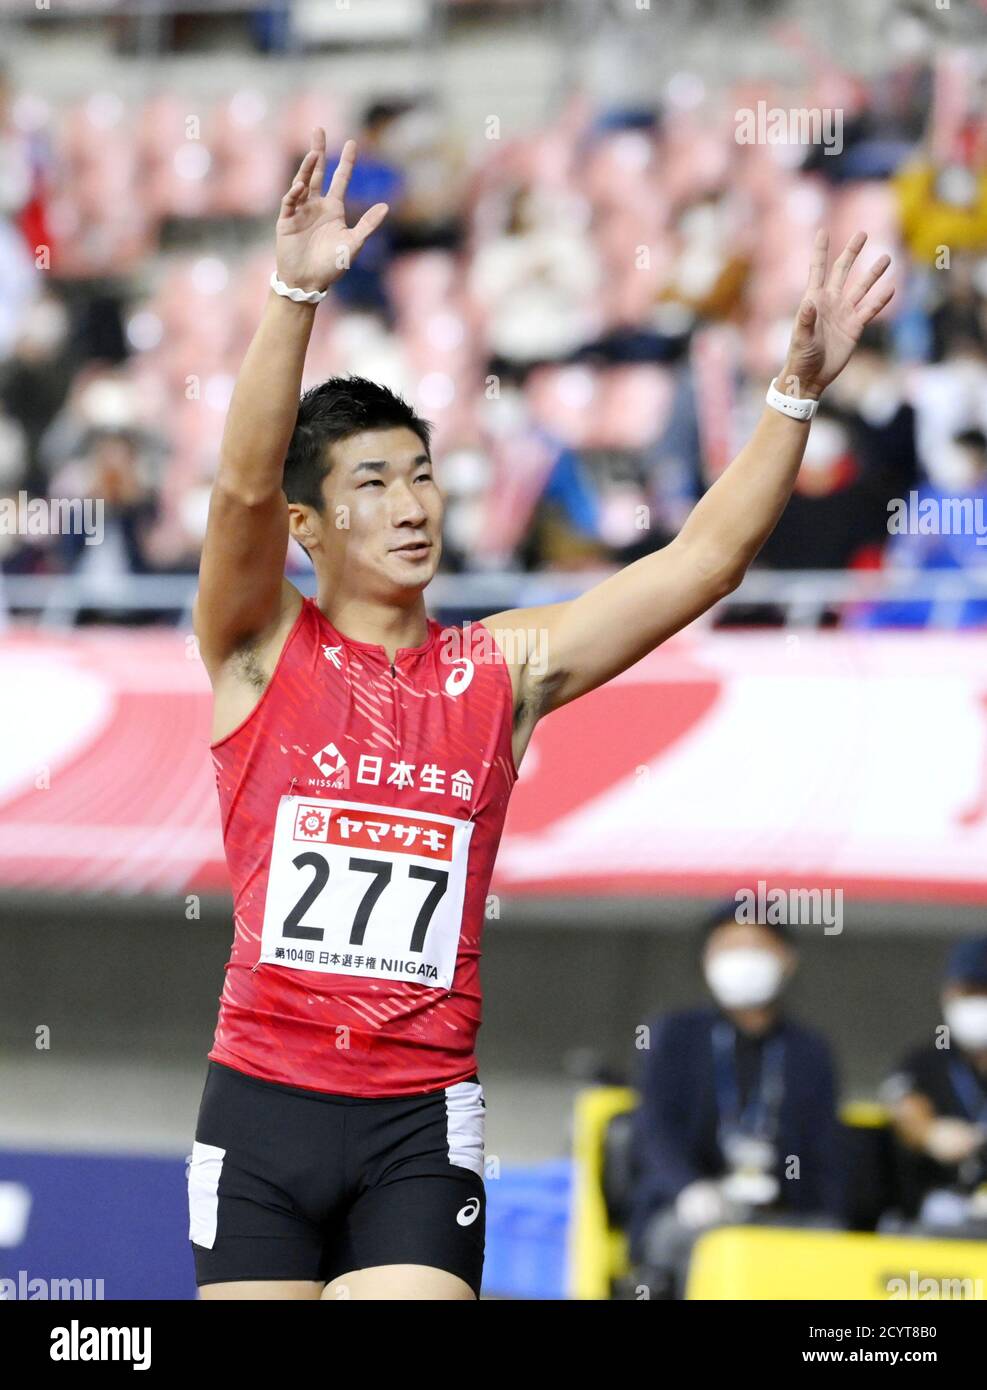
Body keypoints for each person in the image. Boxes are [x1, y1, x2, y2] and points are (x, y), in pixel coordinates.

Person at [187, 128, 894, 1300]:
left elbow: (704, 561)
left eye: (422, 472)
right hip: (260, 1109)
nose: (413, 503)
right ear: (309, 530)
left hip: (419, 1123)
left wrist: (793, 392)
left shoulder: (502, 669)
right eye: (373, 482)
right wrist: (295, 294)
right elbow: (239, 488)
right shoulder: (261, 652)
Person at [627, 909, 843, 1298]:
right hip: (687, 1212)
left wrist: (827, 1219)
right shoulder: (676, 1035)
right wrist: (688, 1188)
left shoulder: (809, 1051)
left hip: (781, 1218)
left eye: (755, 946)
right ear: (707, 961)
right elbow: (653, 1130)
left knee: (827, 1248)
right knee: (700, 1246)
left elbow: (824, 1153)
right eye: (728, 947)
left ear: (786, 959)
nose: (741, 959)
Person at [881, 938, 987, 1232]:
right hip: (938, 1216)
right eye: (968, 992)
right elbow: (904, 1104)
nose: (977, 1002)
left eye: (984, 992)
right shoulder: (927, 1060)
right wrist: (930, 1133)